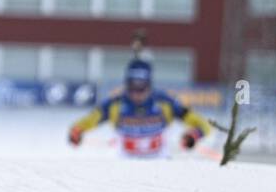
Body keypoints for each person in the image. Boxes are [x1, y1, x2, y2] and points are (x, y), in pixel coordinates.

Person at [68, 57, 211, 157]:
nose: (136, 94)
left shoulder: (166, 103)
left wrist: (193, 135)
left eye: (141, 89)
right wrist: (77, 130)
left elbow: (203, 125)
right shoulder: (115, 104)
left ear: (149, 85)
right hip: (125, 165)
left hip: (159, 163)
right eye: (132, 88)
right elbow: (91, 119)